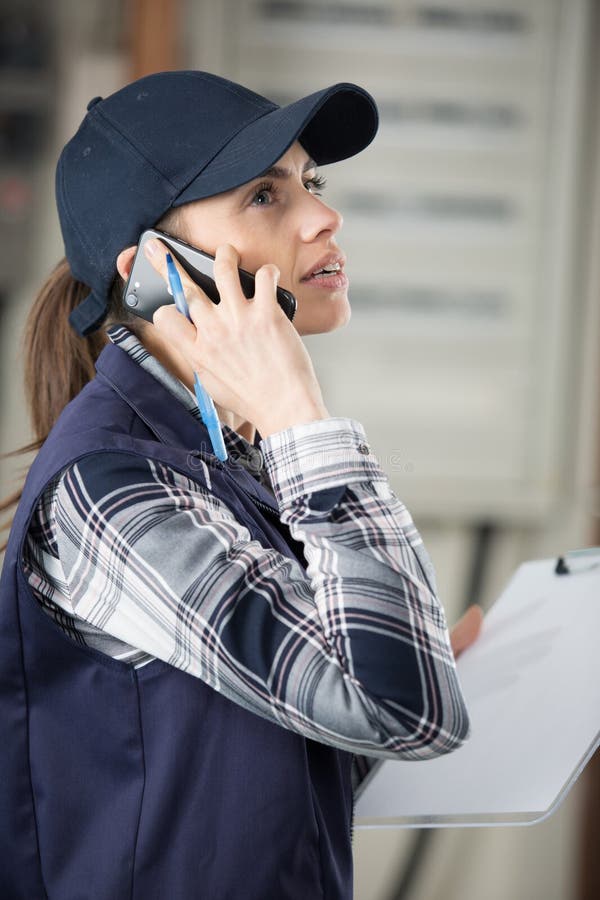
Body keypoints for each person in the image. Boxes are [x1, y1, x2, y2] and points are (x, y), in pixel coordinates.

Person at [0, 70, 482, 899]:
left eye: (312, 183)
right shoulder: (111, 491)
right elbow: (410, 713)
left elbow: (263, 765)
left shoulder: (231, 457)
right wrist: (301, 415)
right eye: (266, 194)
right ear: (158, 269)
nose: (325, 216)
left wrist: (402, 658)